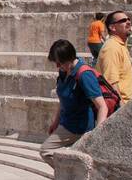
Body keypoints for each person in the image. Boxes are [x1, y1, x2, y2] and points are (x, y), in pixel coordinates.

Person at [40, 39, 109, 168]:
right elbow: (63, 99)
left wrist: (96, 135)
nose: (57, 66)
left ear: (69, 58)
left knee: (46, 150)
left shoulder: (84, 75)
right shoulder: (63, 72)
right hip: (67, 123)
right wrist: (56, 121)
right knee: (48, 151)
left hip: (80, 127)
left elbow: (102, 106)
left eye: (59, 63)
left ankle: (70, 173)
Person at [96, 9, 132, 104]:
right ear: (112, 27)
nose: (128, 22)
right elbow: (111, 82)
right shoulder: (112, 47)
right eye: (123, 21)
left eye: (128, 19)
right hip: (120, 107)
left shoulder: (119, 45)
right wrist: (122, 110)